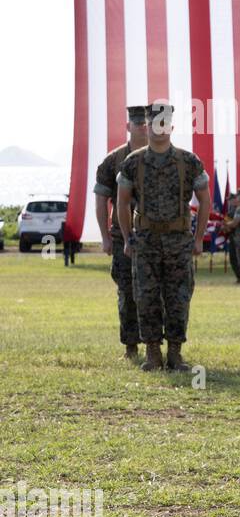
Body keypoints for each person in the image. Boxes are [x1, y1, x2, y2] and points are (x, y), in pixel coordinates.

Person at [115, 101, 211, 372]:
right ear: (147, 126)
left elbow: (205, 200)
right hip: (145, 241)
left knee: (179, 297)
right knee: (145, 297)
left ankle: (175, 353)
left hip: (178, 240)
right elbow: (122, 202)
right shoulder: (133, 162)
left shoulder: (189, 161)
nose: (159, 128)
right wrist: (127, 238)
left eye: (164, 123)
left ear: (171, 126)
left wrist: (198, 238)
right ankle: (153, 352)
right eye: (154, 123)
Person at [95, 105, 151, 360]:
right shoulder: (113, 161)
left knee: (155, 292)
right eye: (137, 123)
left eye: (146, 123)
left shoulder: (162, 156)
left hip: (155, 236)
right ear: (128, 126)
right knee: (127, 292)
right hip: (123, 237)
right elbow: (101, 200)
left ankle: (154, 345)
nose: (142, 127)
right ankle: (131, 346)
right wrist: (105, 237)